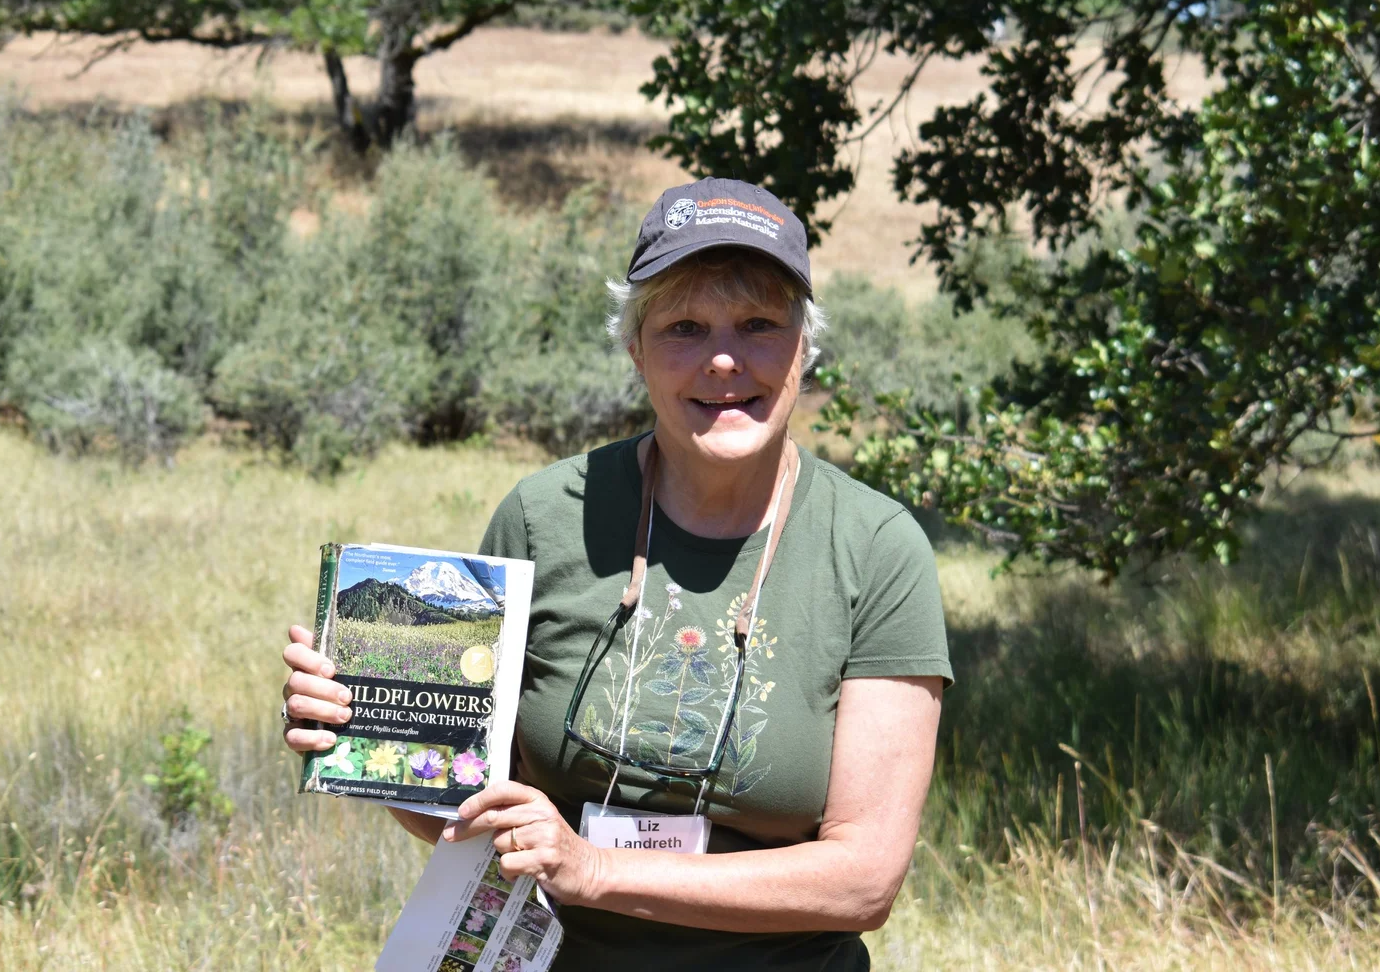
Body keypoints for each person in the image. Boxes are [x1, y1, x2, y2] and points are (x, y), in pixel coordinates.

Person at [281, 178, 951, 971]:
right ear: (635, 347)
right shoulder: (544, 517)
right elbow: (471, 803)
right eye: (684, 327)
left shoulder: (876, 549)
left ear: (804, 345)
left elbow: (862, 882)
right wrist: (363, 735)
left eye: (761, 324)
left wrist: (595, 869)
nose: (724, 359)